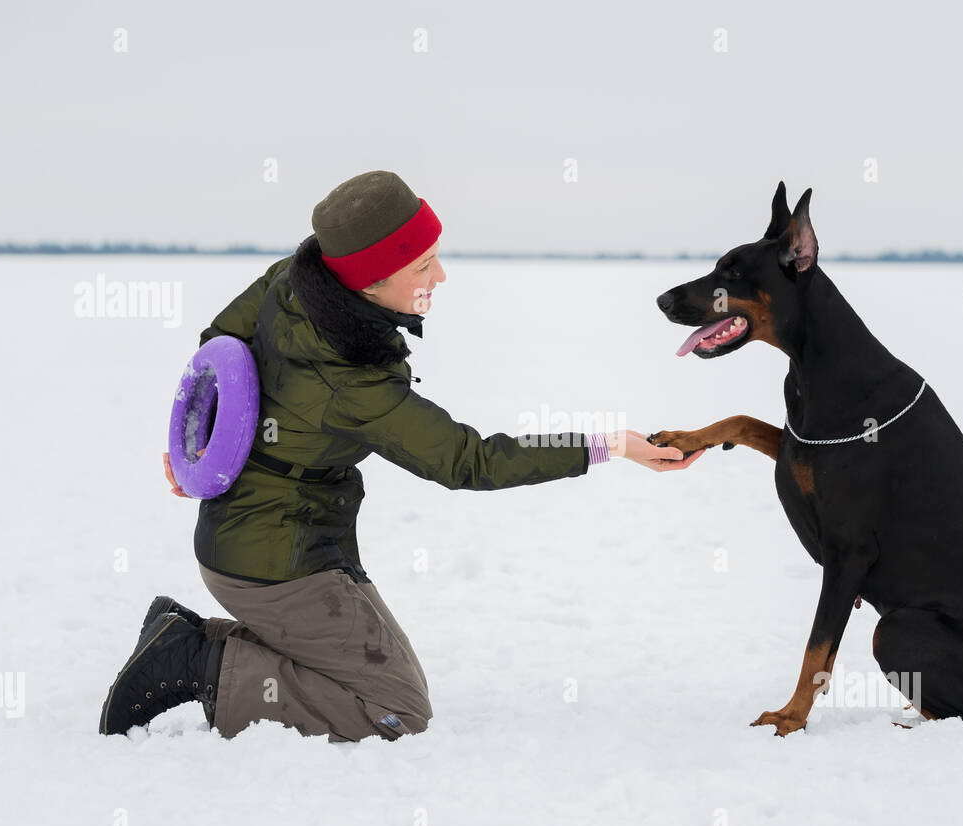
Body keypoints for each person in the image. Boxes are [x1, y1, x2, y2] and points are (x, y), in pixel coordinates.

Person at [99, 170, 703, 742]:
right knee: (396, 712)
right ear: (369, 280)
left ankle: (192, 640)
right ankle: (198, 661)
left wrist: (199, 451)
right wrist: (610, 444)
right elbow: (470, 461)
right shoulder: (353, 382)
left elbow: (218, 344)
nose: (440, 275)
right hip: (271, 562)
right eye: (422, 264)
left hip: (284, 539)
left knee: (391, 678)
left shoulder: (291, 283)